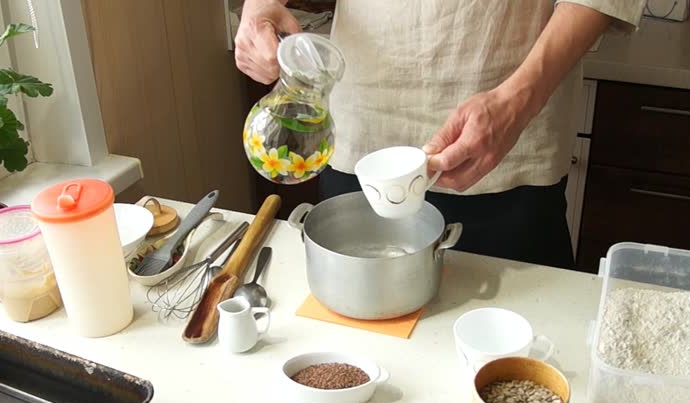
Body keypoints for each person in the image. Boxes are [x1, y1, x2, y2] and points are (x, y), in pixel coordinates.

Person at [234, 0, 646, 269]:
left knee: (515, 364)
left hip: (508, 146)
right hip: (362, 133)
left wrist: (517, 102)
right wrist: (260, 6)